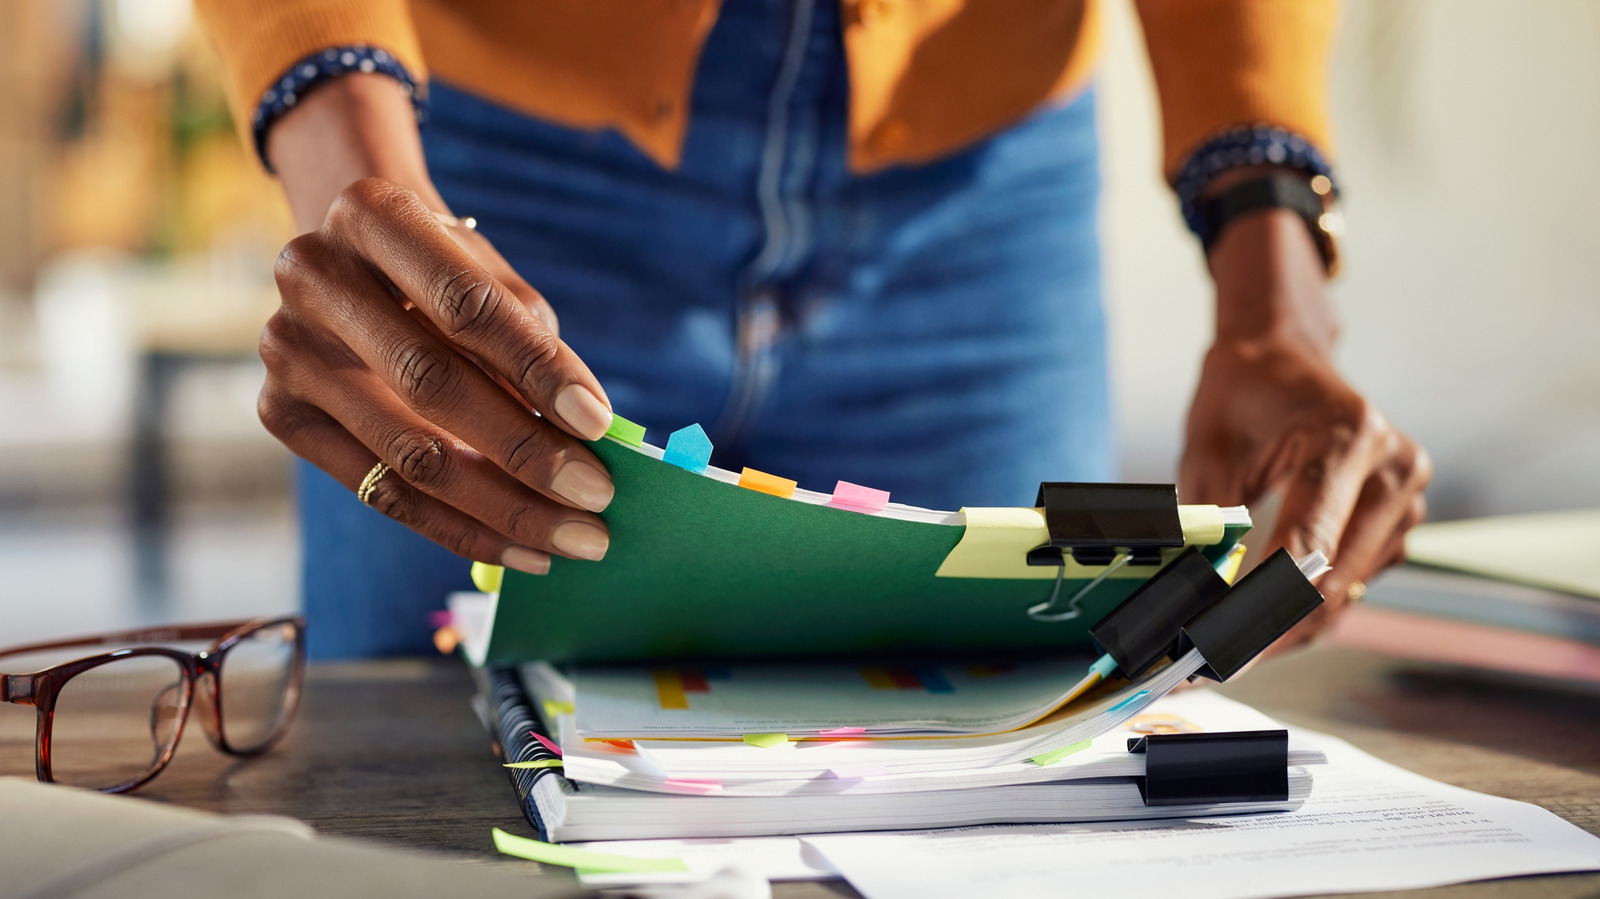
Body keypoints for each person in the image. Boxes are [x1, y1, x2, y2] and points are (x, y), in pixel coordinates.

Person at [195, 0, 1430, 659]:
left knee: (1000, 767)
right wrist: (349, 167)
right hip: (497, 148)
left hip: (977, 173)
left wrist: (1271, 285)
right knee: (426, 791)